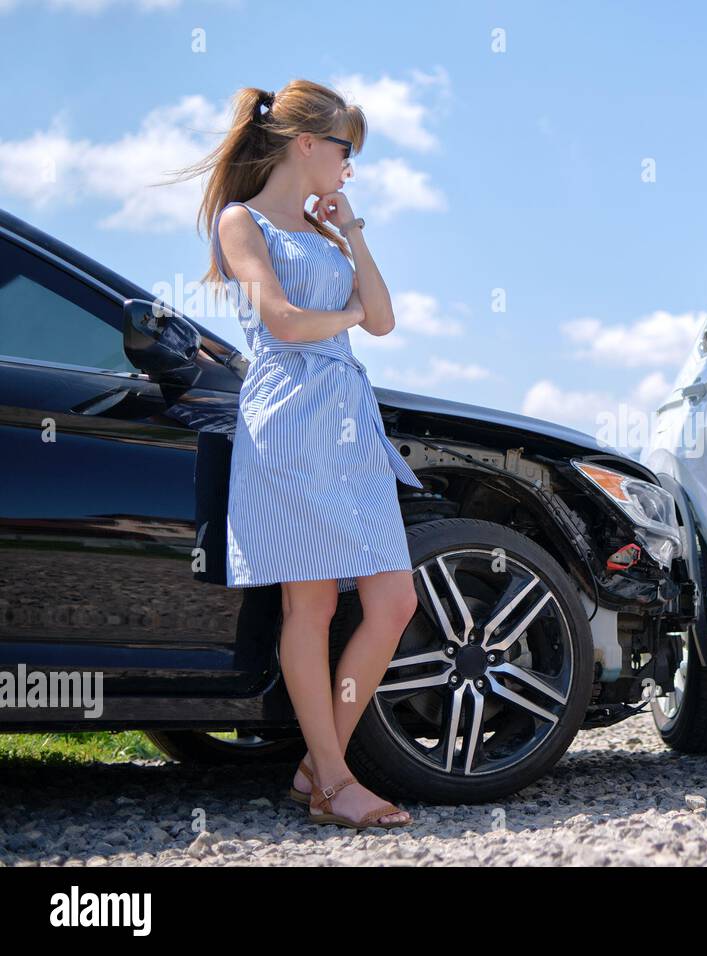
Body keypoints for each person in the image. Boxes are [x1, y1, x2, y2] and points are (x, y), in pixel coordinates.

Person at [185, 79, 419, 829]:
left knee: (393, 600)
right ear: (307, 144)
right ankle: (336, 785)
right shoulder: (241, 222)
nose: (351, 167)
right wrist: (344, 314)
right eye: (346, 151)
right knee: (311, 605)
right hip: (288, 420)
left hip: (350, 420)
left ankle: (321, 767)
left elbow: (380, 321)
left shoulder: (328, 233)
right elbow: (282, 324)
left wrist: (354, 233)